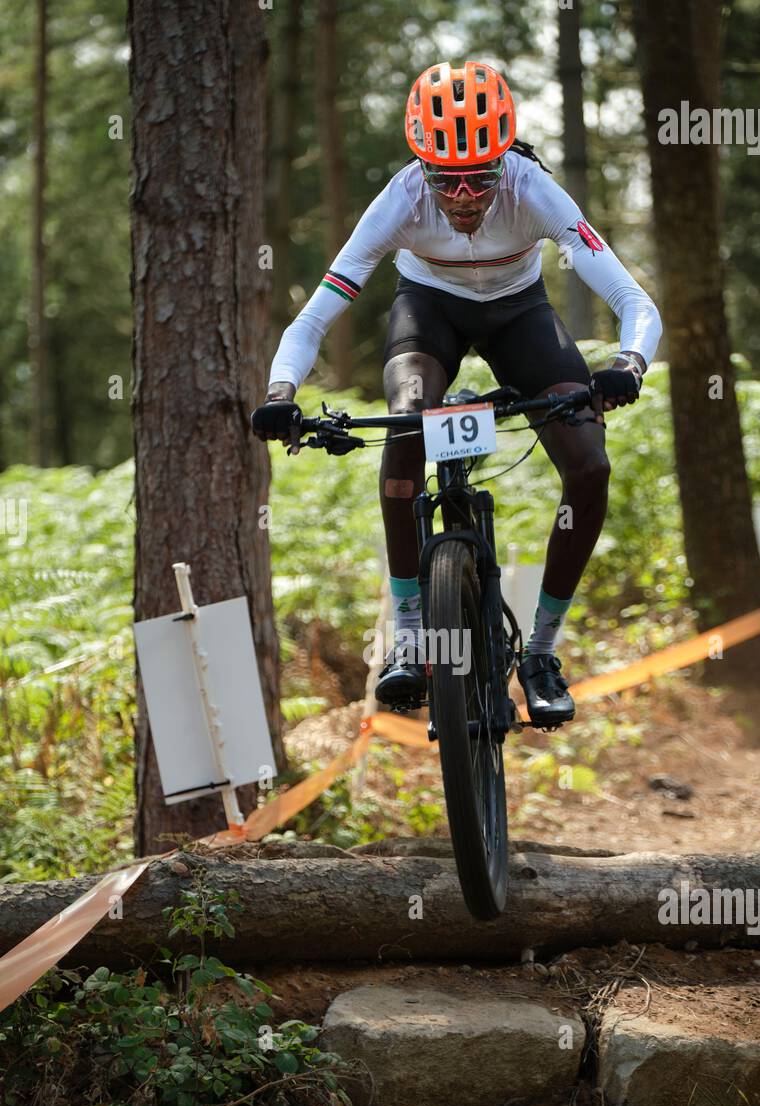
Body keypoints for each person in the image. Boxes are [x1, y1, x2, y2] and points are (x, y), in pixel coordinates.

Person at [254, 60, 661, 727]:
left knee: (590, 464)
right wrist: (281, 390)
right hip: (429, 316)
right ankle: (411, 638)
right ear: (422, 166)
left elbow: (631, 299)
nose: (467, 194)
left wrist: (630, 363)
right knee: (408, 423)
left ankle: (541, 653)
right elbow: (314, 317)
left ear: (507, 160)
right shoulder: (400, 198)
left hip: (519, 315)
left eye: (483, 174)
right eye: (448, 178)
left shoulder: (532, 189)